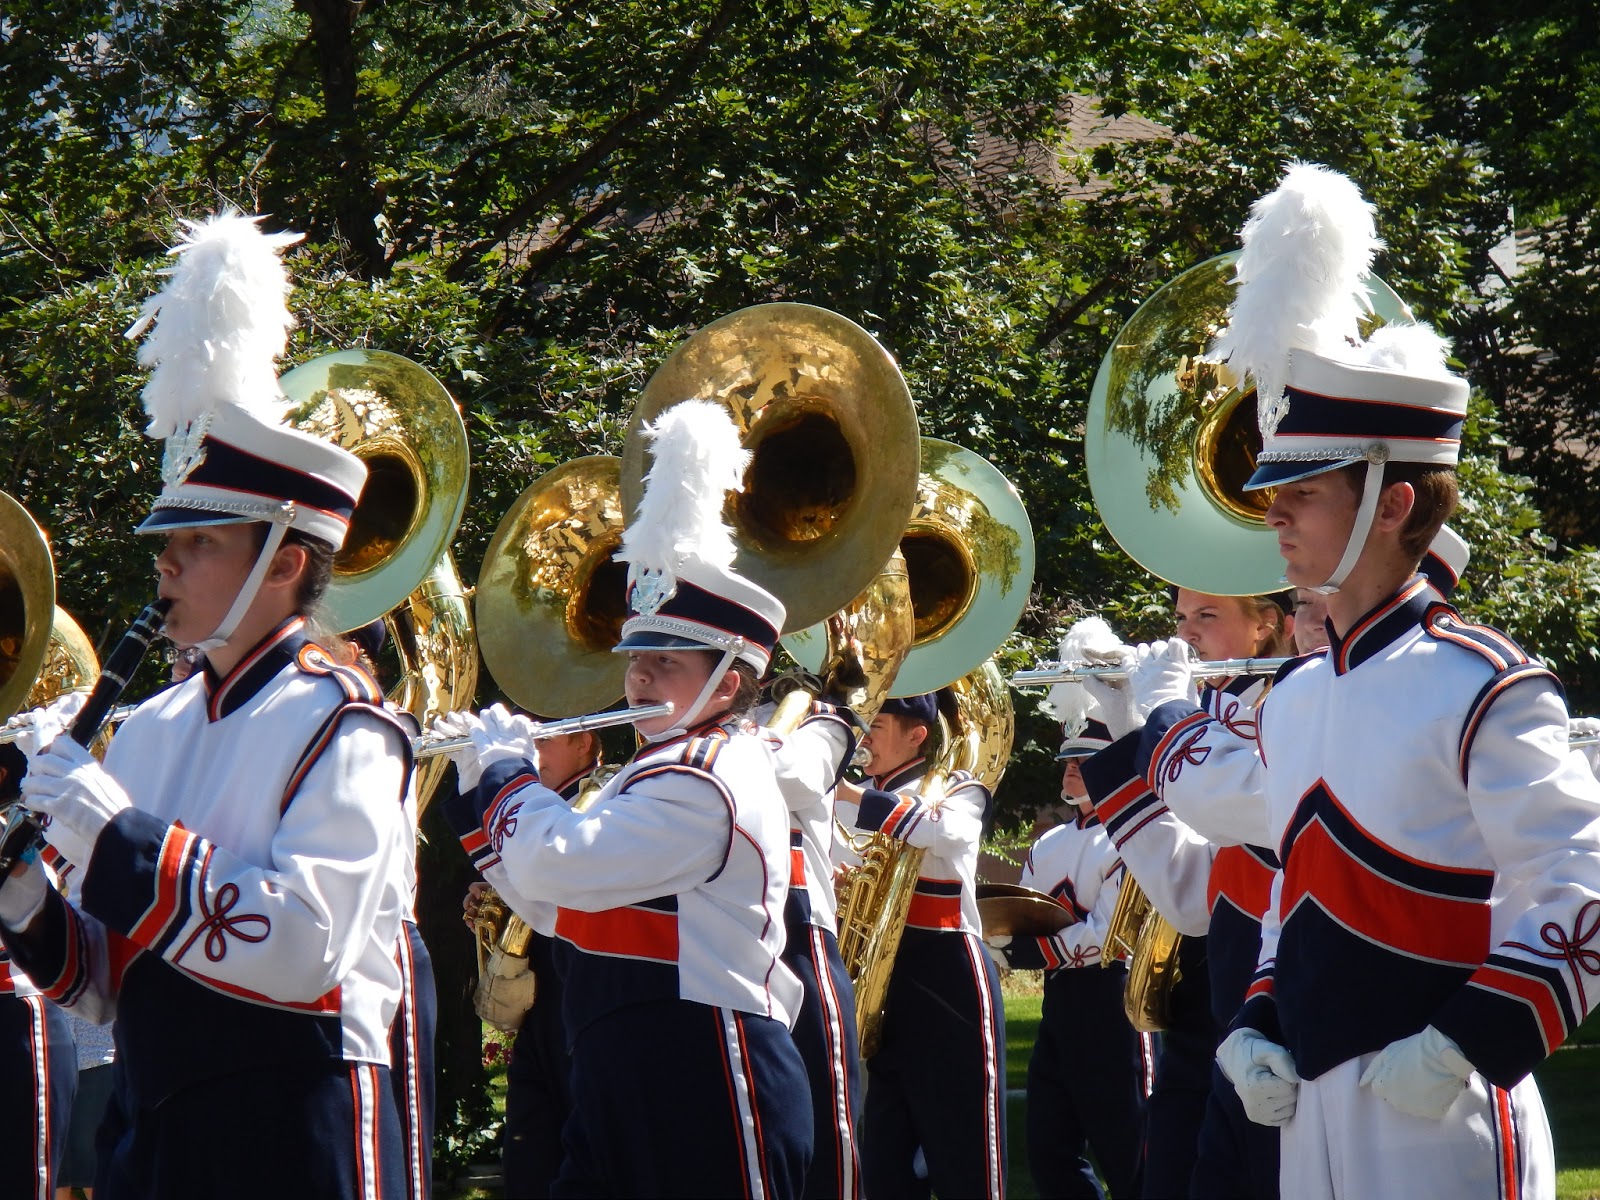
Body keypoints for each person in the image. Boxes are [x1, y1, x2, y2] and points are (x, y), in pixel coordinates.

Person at [0, 212, 414, 1197]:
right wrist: (23, 899)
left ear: (289, 564)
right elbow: (108, 981)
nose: (166, 566)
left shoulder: (346, 726)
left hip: (295, 1111)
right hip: (160, 1113)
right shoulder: (144, 728)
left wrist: (111, 828)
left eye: (199, 545)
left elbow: (304, 945)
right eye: (167, 545)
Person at [1203, 162, 1595, 1198]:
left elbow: (1582, 883)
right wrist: (1256, 1018)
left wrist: (1468, 1041)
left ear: (1390, 502)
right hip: (1313, 1109)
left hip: (1446, 1107)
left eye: (1305, 494)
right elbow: (1295, 893)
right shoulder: (1290, 699)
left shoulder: (1485, 685)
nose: (1274, 516)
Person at [435, 400, 811, 1197]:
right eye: (637, 658)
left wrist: (508, 773)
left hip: (708, 1065)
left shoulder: (707, 773)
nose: (638, 677)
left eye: (666, 663)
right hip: (621, 1060)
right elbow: (554, 904)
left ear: (729, 681)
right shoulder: (653, 771)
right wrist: (475, 784)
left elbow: (564, 863)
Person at [833, 691, 1006, 1200]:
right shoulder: (849, 796)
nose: (862, 738)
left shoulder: (958, 787)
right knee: (885, 1157)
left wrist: (849, 797)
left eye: (878, 725)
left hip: (947, 968)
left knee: (966, 1147)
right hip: (878, 976)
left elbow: (948, 831)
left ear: (917, 736)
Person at [990, 718, 1148, 1198]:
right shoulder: (1048, 843)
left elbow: (1110, 936)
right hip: (1059, 1003)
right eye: (1068, 759)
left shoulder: (1132, 836)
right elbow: (1020, 915)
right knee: (1047, 1147)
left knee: (1129, 1149)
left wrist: (1029, 952)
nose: (1071, 768)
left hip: (1113, 1000)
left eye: (1085, 760)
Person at [461, 726, 600, 1199]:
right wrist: (491, 908)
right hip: (540, 1013)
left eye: (541, 738)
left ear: (584, 743)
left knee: (583, 1162)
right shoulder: (523, 816)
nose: (527, 748)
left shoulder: (606, 798)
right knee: (530, 1163)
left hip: (584, 1002)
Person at [761, 690, 863, 1200]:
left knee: (828, 1125)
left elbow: (791, 775)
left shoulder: (815, 719)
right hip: (719, 939)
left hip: (800, 929)